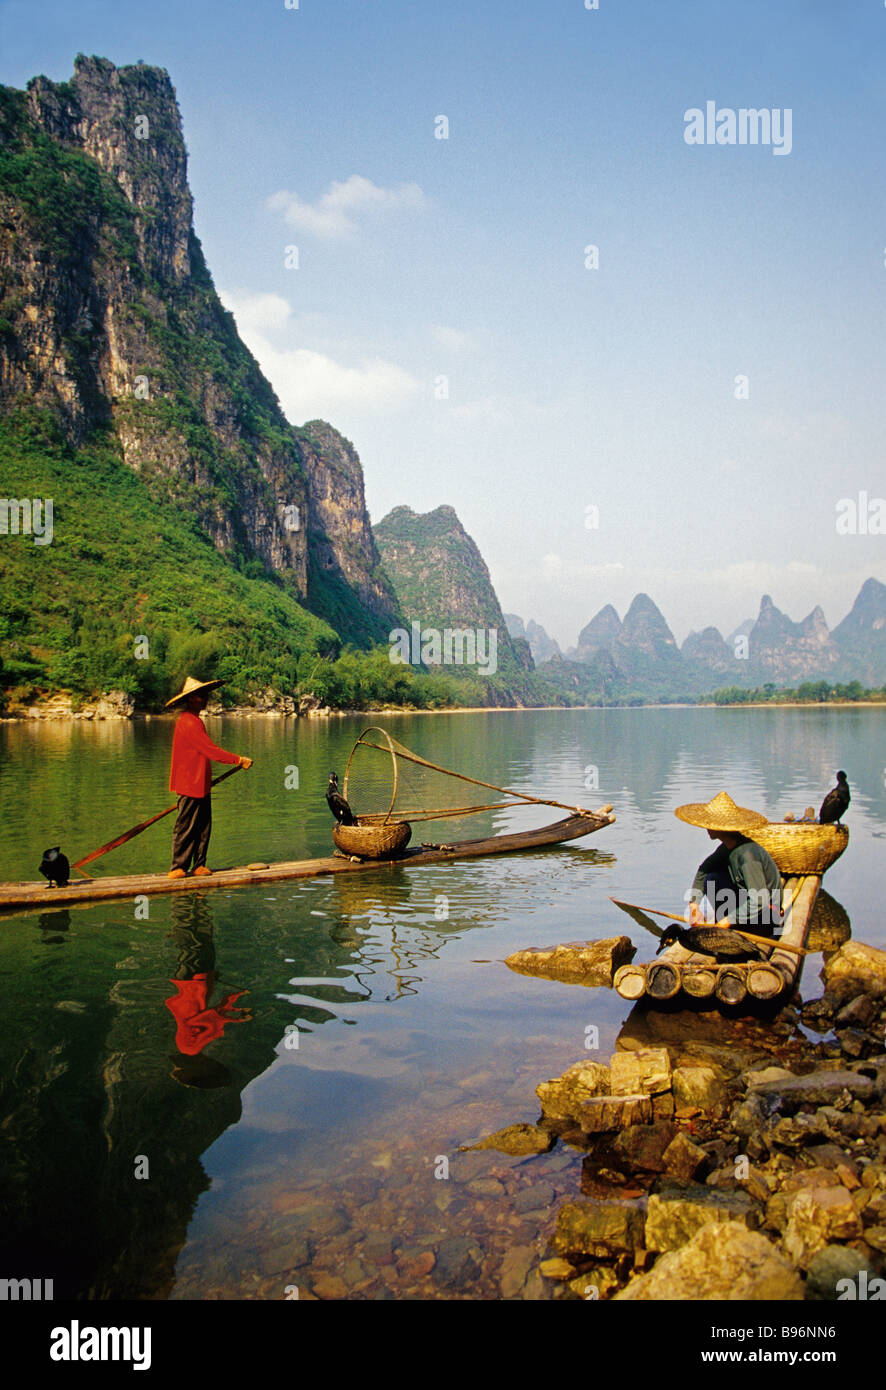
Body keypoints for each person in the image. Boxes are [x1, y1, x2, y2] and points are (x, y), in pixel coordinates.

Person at [165, 676, 252, 878]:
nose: (204, 700)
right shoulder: (187, 722)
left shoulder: (195, 721)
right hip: (189, 783)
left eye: (204, 696)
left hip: (201, 782)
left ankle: (199, 864)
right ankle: (178, 866)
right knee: (186, 826)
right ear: (190, 700)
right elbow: (210, 750)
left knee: (203, 826)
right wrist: (238, 759)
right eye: (199, 696)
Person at [675, 791, 782, 935]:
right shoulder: (727, 848)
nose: (706, 827)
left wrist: (727, 921)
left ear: (721, 828)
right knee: (712, 878)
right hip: (749, 908)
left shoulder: (747, 855)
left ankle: (731, 927)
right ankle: (731, 925)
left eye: (710, 824)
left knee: (716, 881)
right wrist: (694, 905)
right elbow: (704, 870)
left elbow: (759, 900)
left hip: (766, 917)